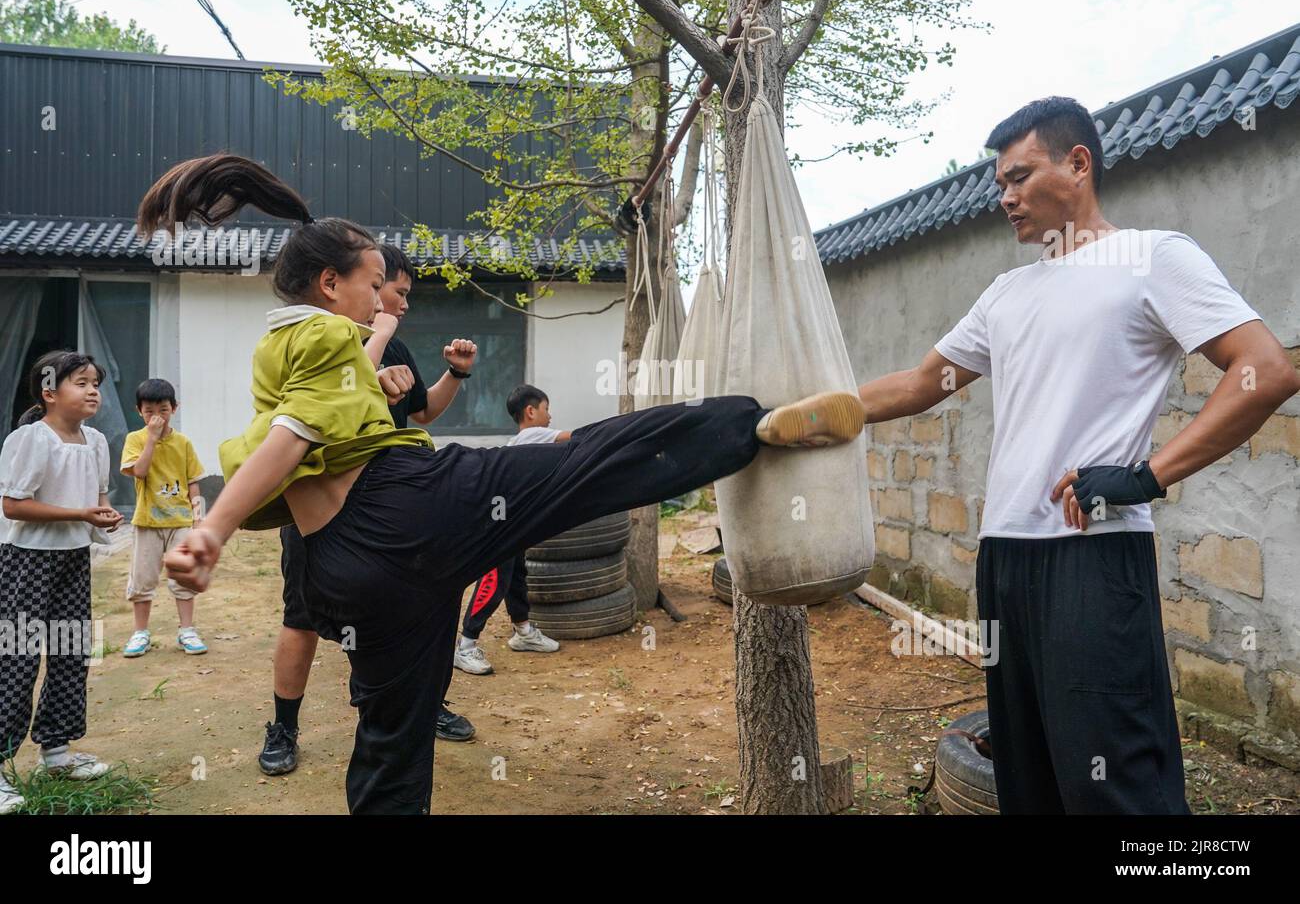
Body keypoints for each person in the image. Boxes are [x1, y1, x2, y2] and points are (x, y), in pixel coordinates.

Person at [145, 153, 865, 814]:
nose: (384, 302)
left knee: (392, 734)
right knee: (585, 463)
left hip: (345, 566)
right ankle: (750, 426)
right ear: (331, 284)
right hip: (408, 509)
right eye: (375, 286)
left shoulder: (277, 343)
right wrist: (213, 528)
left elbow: (305, 420)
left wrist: (398, 357)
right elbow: (294, 433)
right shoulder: (332, 335)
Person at [856, 96, 1300, 814]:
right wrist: (813, 411)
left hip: (1091, 556)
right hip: (1003, 559)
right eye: (999, 184)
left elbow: (1265, 371)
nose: (1006, 197)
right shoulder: (1006, 293)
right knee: (1028, 780)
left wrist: (1146, 475)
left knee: (1117, 787)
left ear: (1078, 164)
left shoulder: (1154, 257)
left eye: (1020, 177)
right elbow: (917, 383)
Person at [262, 242, 477, 775]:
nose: (402, 305)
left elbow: (421, 413)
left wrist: (455, 373)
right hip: (320, 507)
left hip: (389, 503)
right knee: (303, 616)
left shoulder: (393, 346)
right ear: (359, 284)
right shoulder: (316, 339)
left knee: (418, 605)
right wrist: (377, 339)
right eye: (395, 292)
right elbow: (334, 399)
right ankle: (283, 726)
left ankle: (426, 705)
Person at [0, 351, 123, 814]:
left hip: (73, 560)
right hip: (26, 562)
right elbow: (13, 505)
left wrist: (104, 517)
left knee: (72, 651)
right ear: (49, 392)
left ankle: (56, 753)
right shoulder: (31, 439)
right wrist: (80, 513)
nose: (93, 390)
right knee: (18, 657)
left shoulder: (95, 442)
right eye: (81, 382)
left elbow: (98, 499)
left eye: (96, 383)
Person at [454, 384, 571, 677]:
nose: (550, 416)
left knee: (517, 576)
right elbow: (573, 439)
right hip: (499, 524)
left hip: (512, 520)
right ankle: (465, 646)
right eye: (546, 409)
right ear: (531, 412)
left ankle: (523, 631)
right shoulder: (532, 434)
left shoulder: (523, 440)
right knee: (495, 580)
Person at [120, 378, 207, 657]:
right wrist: (152, 440)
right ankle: (140, 632)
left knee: (183, 577)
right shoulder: (135, 440)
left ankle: (187, 630)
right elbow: (141, 471)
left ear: (175, 408)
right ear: (139, 412)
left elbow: (193, 482)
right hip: (147, 522)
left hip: (180, 522)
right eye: (149, 411)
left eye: (163, 410)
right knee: (143, 579)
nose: (156, 416)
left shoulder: (183, 443)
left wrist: (198, 519)